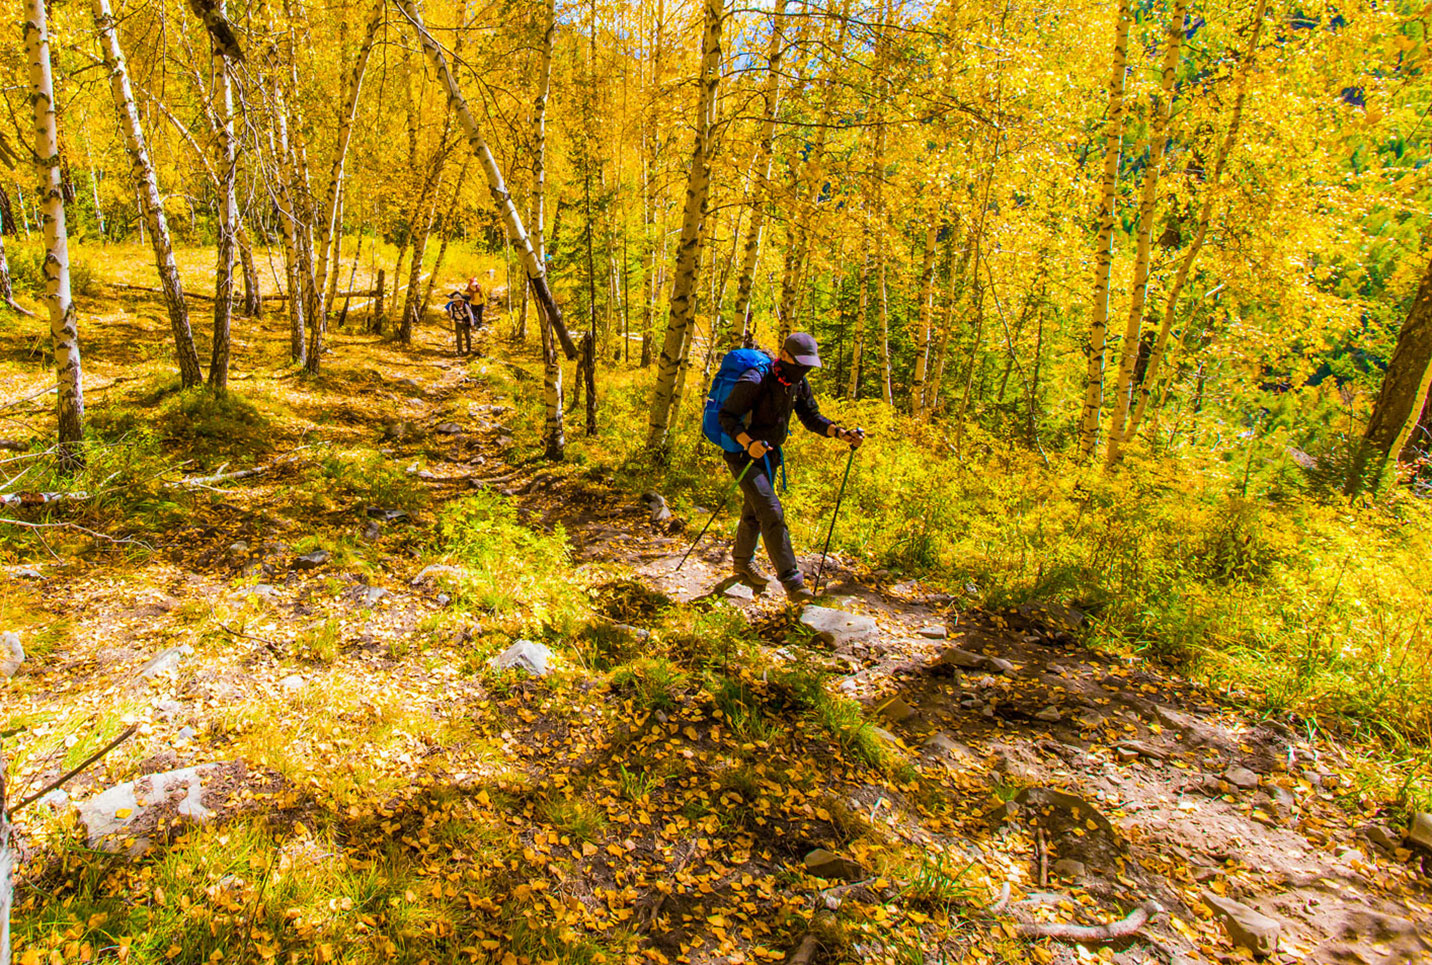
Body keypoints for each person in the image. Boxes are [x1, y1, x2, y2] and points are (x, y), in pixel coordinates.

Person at [717, 332, 864, 601]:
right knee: (771, 511)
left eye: (808, 365)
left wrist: (840, 433)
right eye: (801, 364)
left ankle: (743, 563)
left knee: (755, 511)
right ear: (784, 356)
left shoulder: (797, 383)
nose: (804, 370)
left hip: (769, 456)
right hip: (742, 456)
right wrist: (747, 442)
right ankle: (794, 584)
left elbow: (810, 416)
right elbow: (726, 416)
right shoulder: (756, 379)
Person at [445, 291, 473, 355]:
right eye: (455, 301)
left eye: (457, 301)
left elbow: (470, 315)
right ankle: (460, 350)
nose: (456, 302)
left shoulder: (465, 306)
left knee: (467, 336)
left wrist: (472, 324)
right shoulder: (452, 306)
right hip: (458, 323)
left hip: (465, 323)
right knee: (458, 337)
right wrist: (450, 317)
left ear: (460, 301)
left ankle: (469, 349)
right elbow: (452, 314)